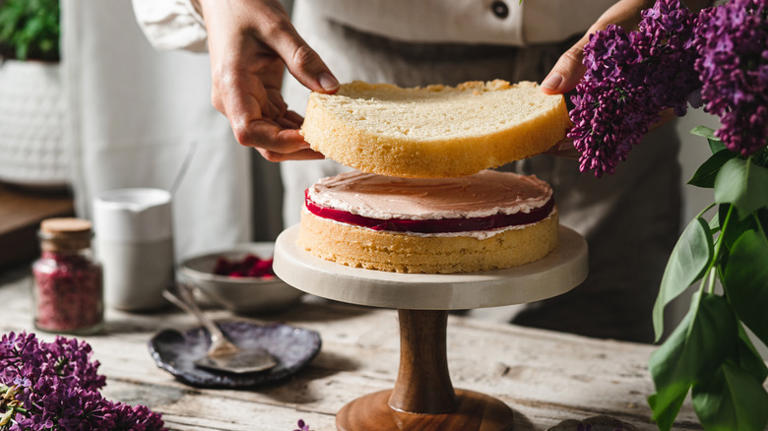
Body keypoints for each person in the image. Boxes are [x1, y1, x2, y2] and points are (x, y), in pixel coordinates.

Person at [132, 0, 706, 342]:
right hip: (352, 90)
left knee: (599, 373)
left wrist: (680, 13)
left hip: (604, 82)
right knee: (356, 350)